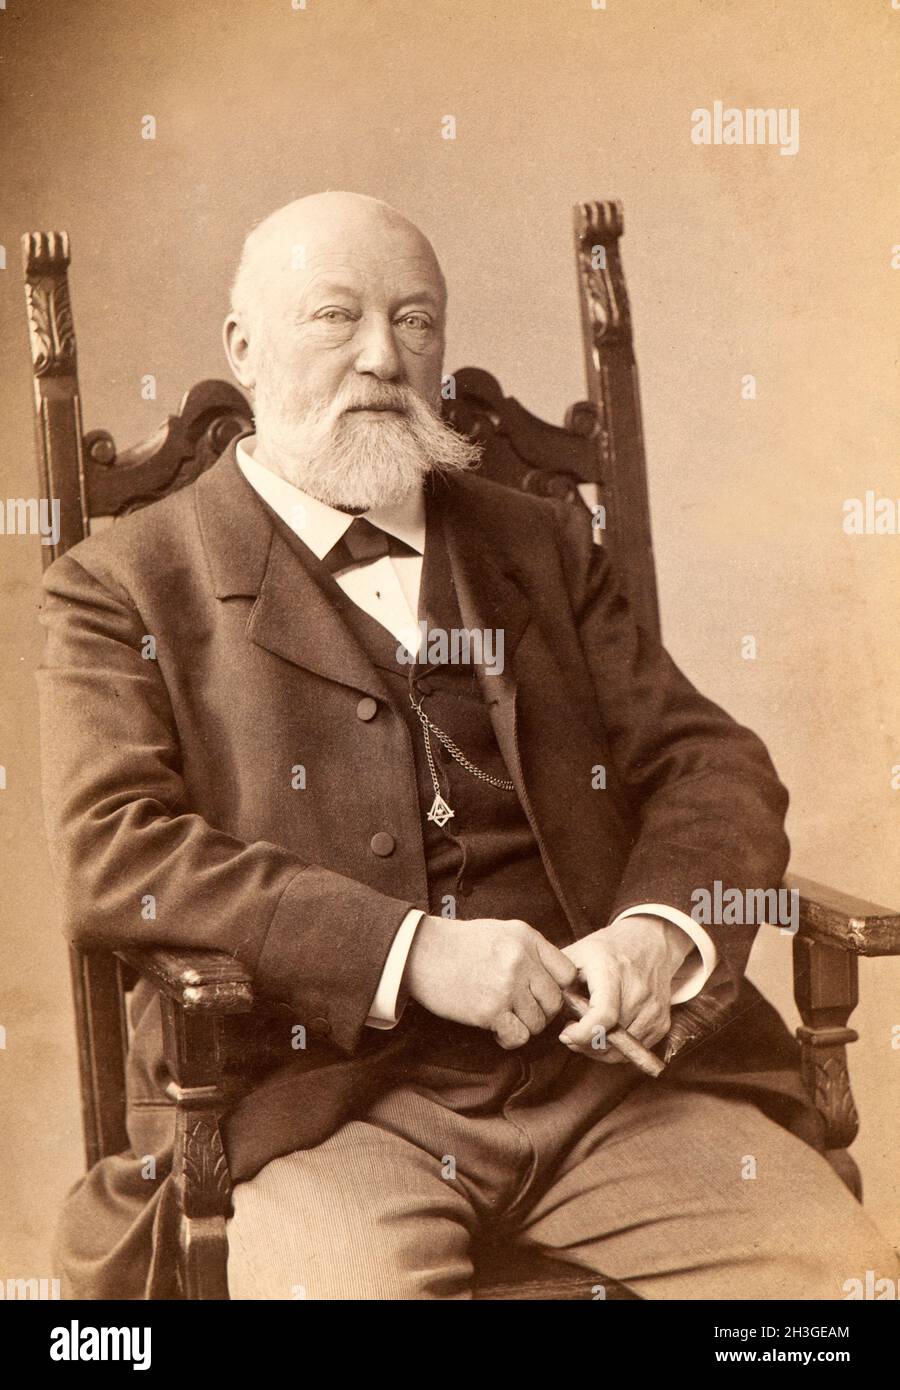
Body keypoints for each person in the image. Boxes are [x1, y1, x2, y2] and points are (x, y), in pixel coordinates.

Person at [39, 192, 897, 1299]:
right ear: (244, 351)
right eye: (334, 318)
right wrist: (413, 951)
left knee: (840, 1298)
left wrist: (657, 934)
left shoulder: (538, 539)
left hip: (603, 1090)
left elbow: (709, 763)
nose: (381, 358)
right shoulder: (124, 586)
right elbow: (120, 854)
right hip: (315, 1109)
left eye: (416, 322)